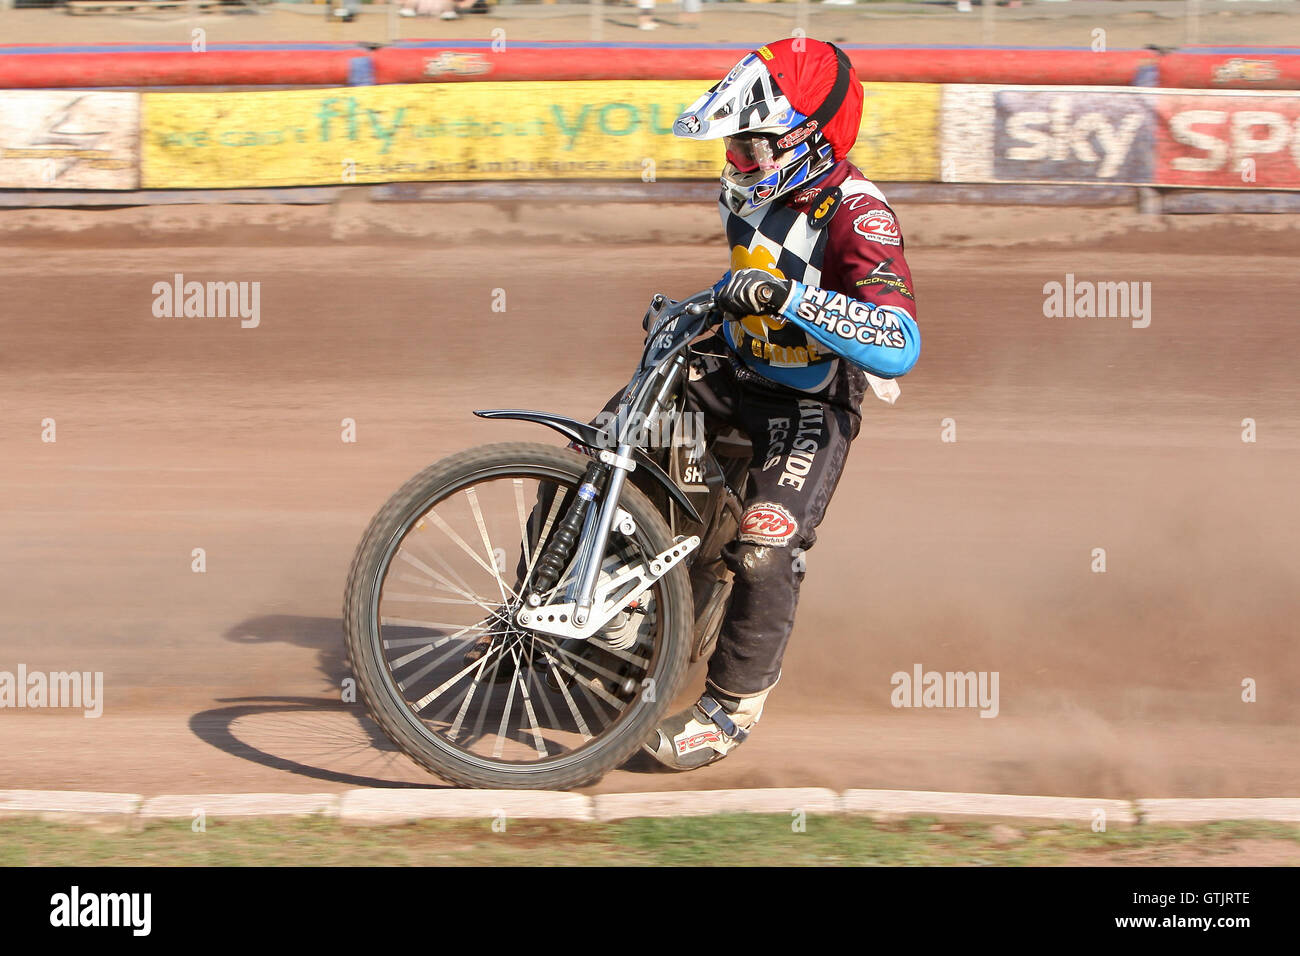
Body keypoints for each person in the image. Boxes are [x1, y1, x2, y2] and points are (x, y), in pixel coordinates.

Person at [640, 37, 922, 770]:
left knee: (764, 550)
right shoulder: (755, 191)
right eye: (730, 149)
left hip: (808, 403)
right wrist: (697, 305)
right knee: (610, 441)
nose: (735, 164)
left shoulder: (862, 217)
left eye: (748, 148)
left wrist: (794, 299)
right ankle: (573, 601)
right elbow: (749, 280)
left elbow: (899, 343)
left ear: (804, 141)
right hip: (731, 368)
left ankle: (728, 706)